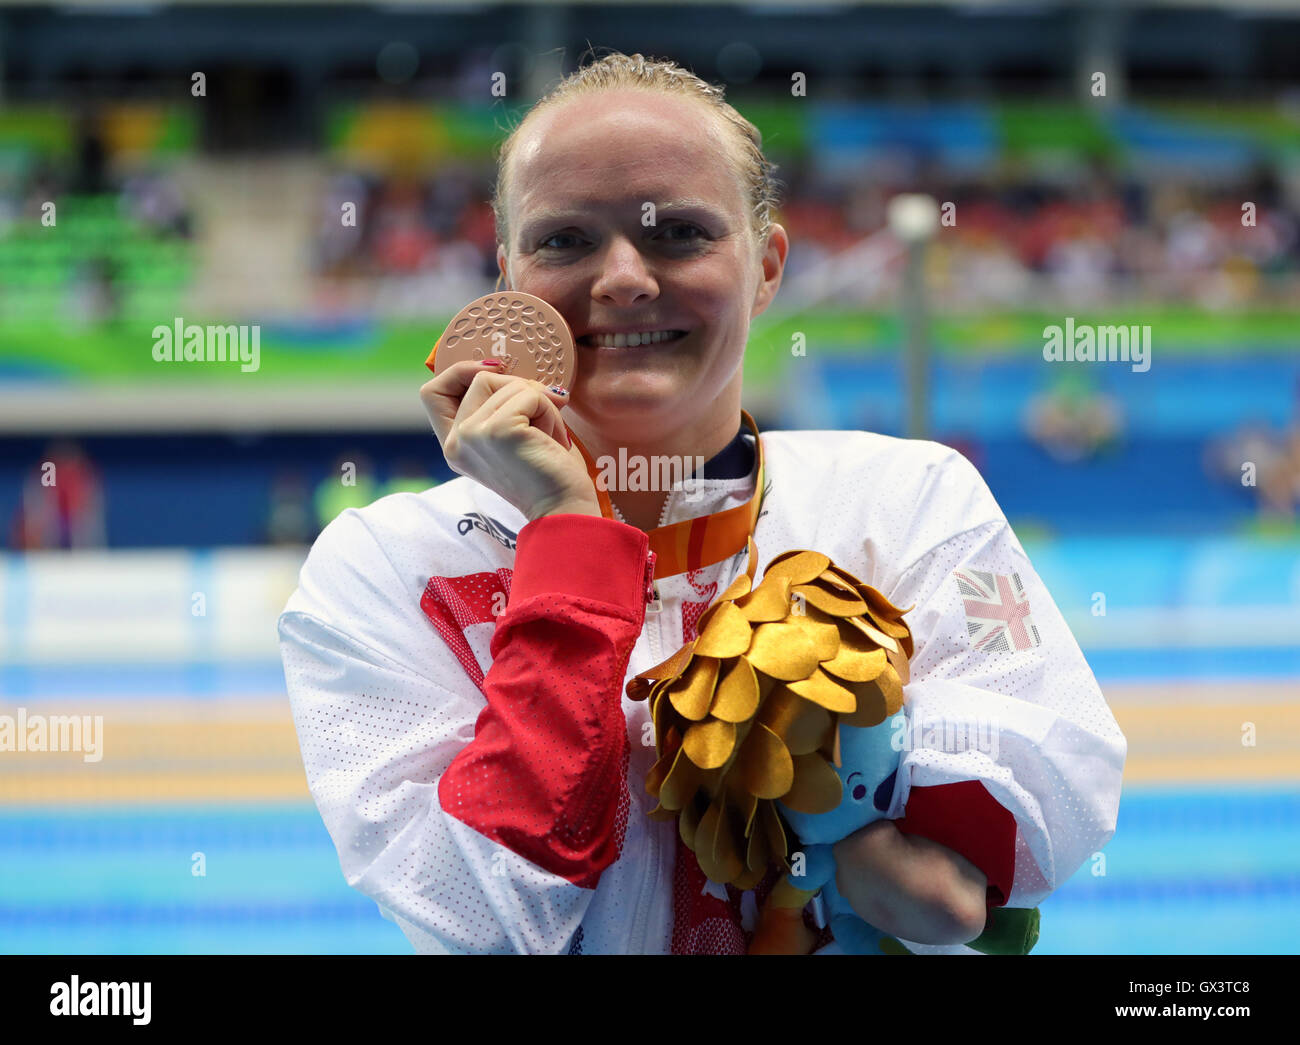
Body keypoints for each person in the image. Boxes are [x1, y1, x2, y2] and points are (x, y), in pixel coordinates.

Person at [278, 51, 1126, 955]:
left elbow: (1056, 803)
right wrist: (569, 540)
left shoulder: (906, 499)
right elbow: (485, 919)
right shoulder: (387, 569)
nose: (624, 278)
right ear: (508, 279)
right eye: (564, 240)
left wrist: (849, 766)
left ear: (766, 267)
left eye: (680, 233)